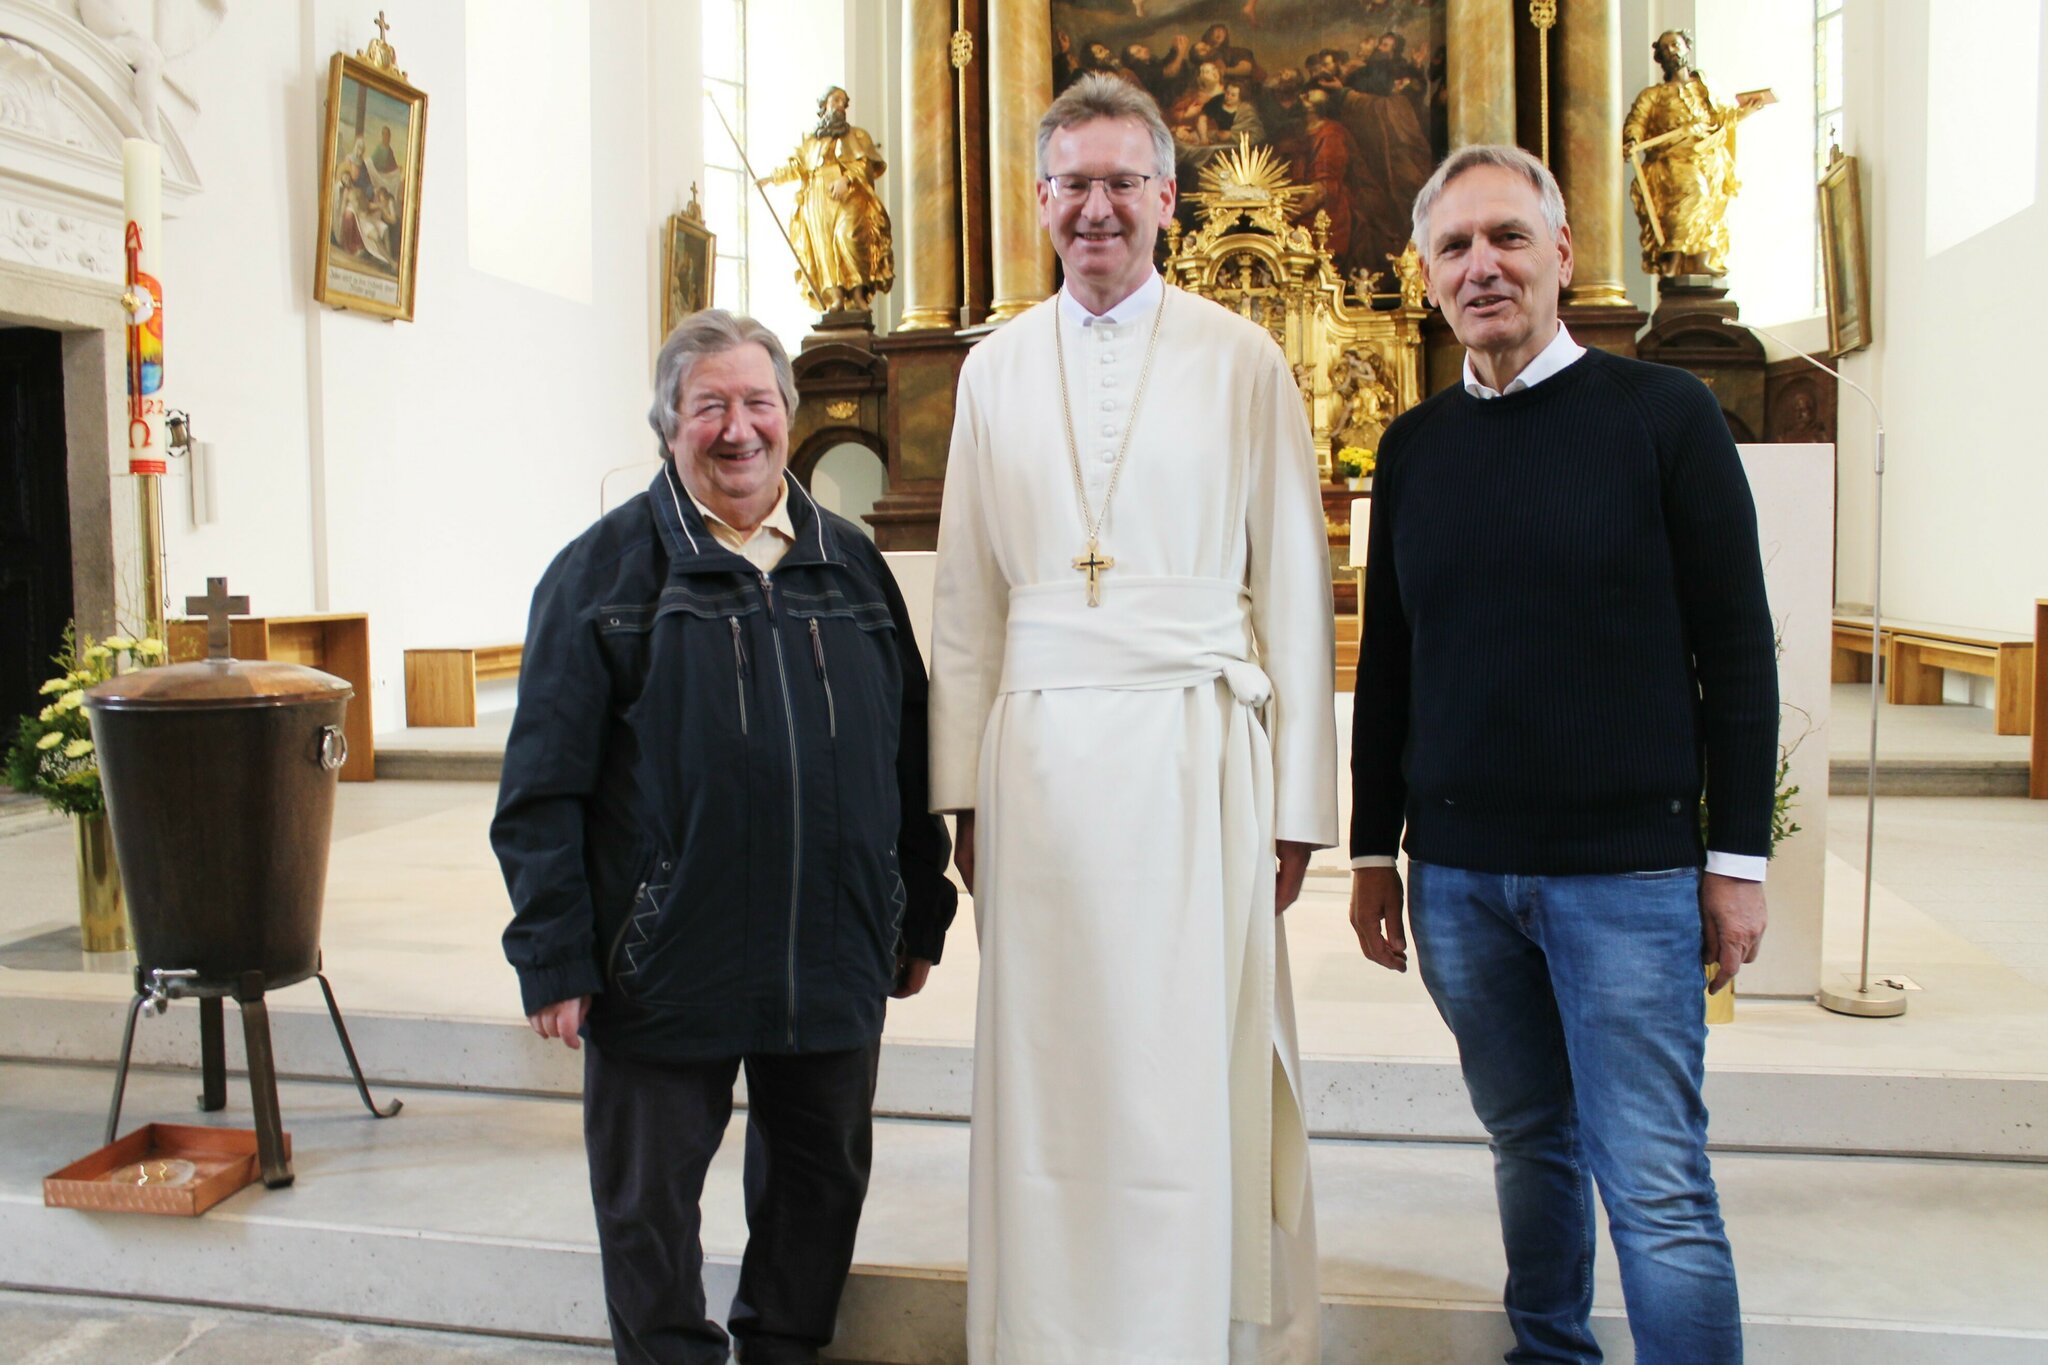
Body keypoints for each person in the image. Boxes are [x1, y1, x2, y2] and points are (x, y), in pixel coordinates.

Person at [929, 73, 1336, 1364]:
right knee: (1053, 1071)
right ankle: (1047, 1327)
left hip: (1194, 758)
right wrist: (964, 797)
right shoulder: (993, 370)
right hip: (1038, 763)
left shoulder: (1244, 358)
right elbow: (965, 604)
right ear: (1039, 200)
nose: (1097, 209)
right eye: (1074, 184)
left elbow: (1298, 588)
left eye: (1123, 183)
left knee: (1176, 1068)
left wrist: (1299, 803)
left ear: (1169, 197)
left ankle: (1180, 1327)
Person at [1348, 145, 1776, 1365]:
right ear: (1425, 277)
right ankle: (1548, 1351)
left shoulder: (1664, 417)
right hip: (1461, 880)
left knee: (1653, 1183)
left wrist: (1733, 858)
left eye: (1506, 238)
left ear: (1563, 256)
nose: (1481, 266)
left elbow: (1736, 656)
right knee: (1525, 1142)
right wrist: (1374, 852)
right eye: (1454, 248)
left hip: (1624, 879)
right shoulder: (1413, 447)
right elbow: (1391, 667)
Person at [494, 310, 957, 1365]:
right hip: (661, 951)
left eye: (756, 404)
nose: (736, 430)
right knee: (647, 1204)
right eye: (709, 407)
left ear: (789, 421)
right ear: (668, 426)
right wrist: (554, 953)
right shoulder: (602, 574)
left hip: (831, 942)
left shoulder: (850, 564)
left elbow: (907, 752)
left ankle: (783, 1349)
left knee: (818, 1184)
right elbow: (541, 789)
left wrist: (915, 906)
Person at [1624, 29, 1771, 277]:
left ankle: (1698, 260)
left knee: (1708, 203)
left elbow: (1723, 117)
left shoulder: (1706, 88)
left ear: (1686, 48)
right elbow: (1637, 121)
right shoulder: (1653, 95)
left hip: (1708, 156)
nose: (1672, 50)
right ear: (1660, 57)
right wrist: (1632, 139)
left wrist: (1745, 112)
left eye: (1675, 45)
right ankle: (1672, 259)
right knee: (1695, 191)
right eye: (1666, 48)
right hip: (1671, 157)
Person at [762, 87, 895, 315]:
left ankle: (857, 294)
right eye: (836, 100)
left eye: (844, 102)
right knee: (823, 246)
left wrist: (847, 179)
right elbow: (797, 166)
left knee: (849, 237)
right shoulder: (810, 141)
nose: (841, 106)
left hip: (848, 194)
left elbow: (866, 166)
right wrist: (772, 177)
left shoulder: (858, 136)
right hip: (817, 196)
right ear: (824, 105)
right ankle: (836, 297)